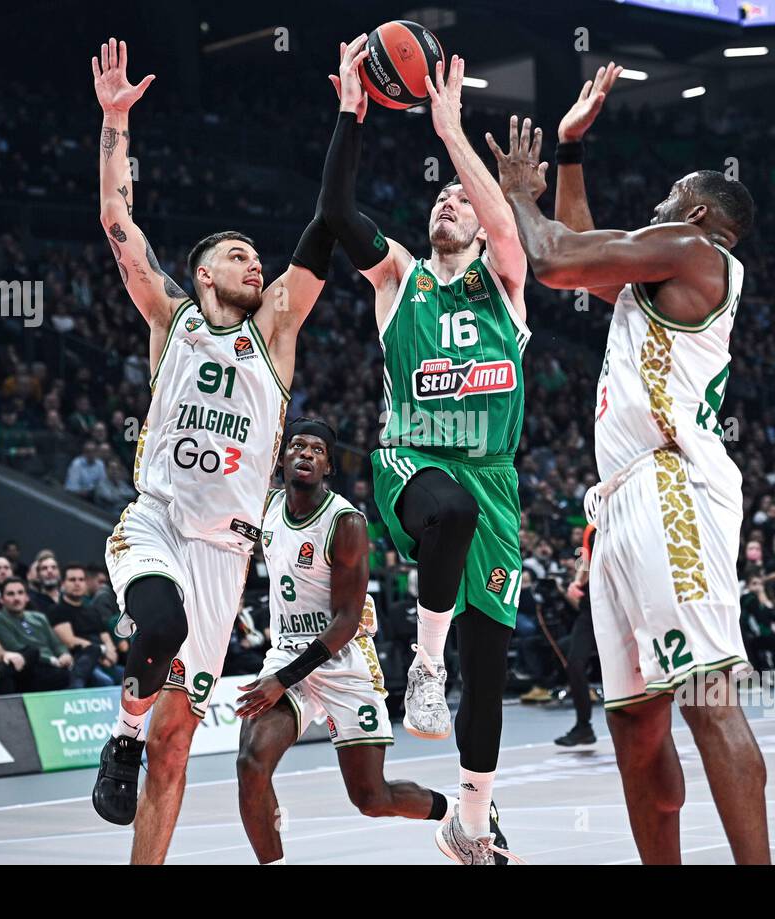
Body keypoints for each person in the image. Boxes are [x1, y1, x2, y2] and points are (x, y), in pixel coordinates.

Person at [491, 63, 770, 864]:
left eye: (672, 191)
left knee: (707, 694)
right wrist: (573, 150)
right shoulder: (665, 271)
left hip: (671, 480)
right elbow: (585, 252)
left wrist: (520, 191)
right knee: (633, 718)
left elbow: (552, 260)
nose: (657, 201)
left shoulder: (690, 248)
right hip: (619, 499)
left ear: (701, 210)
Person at [87, 38, 335, 866]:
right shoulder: (172, 320)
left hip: (226, 552)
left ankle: (142, 798)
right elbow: (118, 221)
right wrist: (115, 123)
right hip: (156, 520)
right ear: (199, 276)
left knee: (179, 743)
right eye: (235, 255)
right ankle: (119, 735)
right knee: (155, 621)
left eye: (254, 256)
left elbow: (322, 235)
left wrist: (349, 115)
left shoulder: (274, 333)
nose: (253, 261)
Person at [318, 38, 528, 863]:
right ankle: (424, 665)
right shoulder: (400, 277)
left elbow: (510, 223)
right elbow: (337, 213)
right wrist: (350, 111)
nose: (448, 202)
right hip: (412, 457)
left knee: (494, 663)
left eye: (460, 198)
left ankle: (471, 818)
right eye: (438, 197)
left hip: (496, 480)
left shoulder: (507, 284)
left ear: (480, 222)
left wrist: (452, 133)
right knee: (451, 507)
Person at [235, 420, 498, 862]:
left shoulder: (346, 522)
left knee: (371, 798)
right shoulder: (265, 510)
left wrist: (281, 679)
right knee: (251, 763)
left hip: (343, 658)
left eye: (316, 450)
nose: (305, 453)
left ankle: (461, 813)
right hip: (286, 652)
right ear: (281, 460)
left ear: (328, 466)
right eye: (296, 446)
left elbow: (344, 621)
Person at [0, 579, 86, 692]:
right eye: (10, 594)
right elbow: (15, 647)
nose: (16, 598)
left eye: (20, 593)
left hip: (56, 665)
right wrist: (51, 660)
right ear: (1, 599)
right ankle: (76, 685)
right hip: (30, 667)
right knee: (67, 675)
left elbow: (56, 643)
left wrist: (64, 654)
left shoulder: (39, 617)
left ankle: (76, 683)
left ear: (27, 597)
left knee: (91, 650)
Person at [555, 524, 597, 747]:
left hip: (622, 604)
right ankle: (584, 726)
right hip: (591, 607)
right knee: (574, 663)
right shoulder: (591, 527)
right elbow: (584, 556)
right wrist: (577, 581)